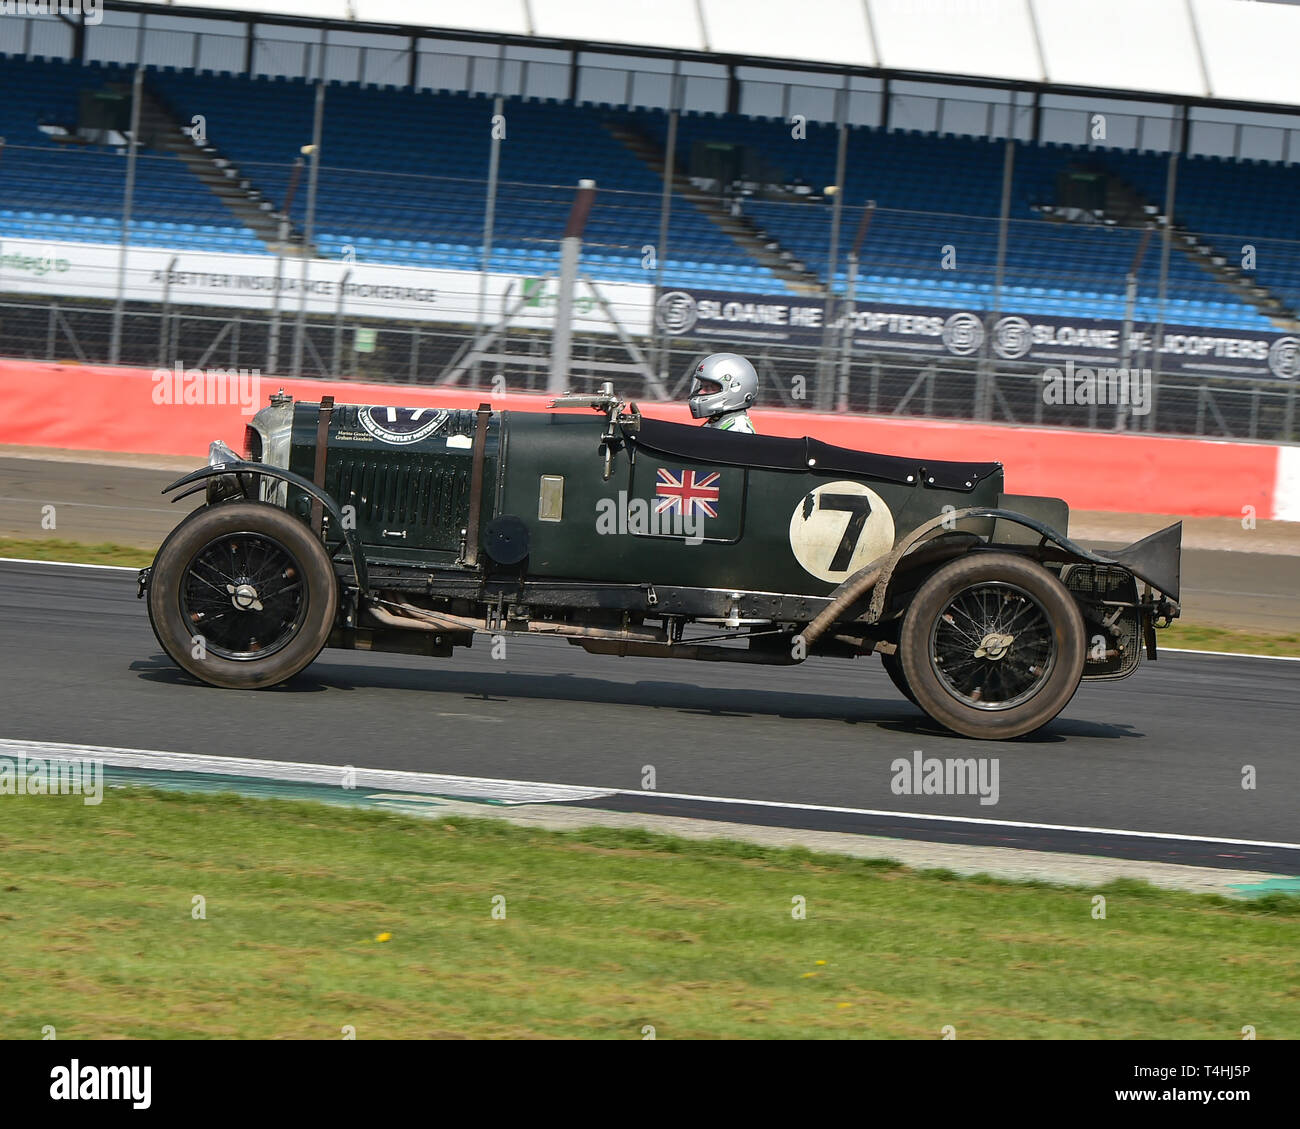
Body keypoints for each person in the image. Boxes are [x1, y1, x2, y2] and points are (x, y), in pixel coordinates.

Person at [688, 352, 758, 433]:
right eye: (702, 386)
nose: (701, 392)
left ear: (735, 388)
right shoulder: (717, 422)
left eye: (710, 387)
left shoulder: (738, 431)